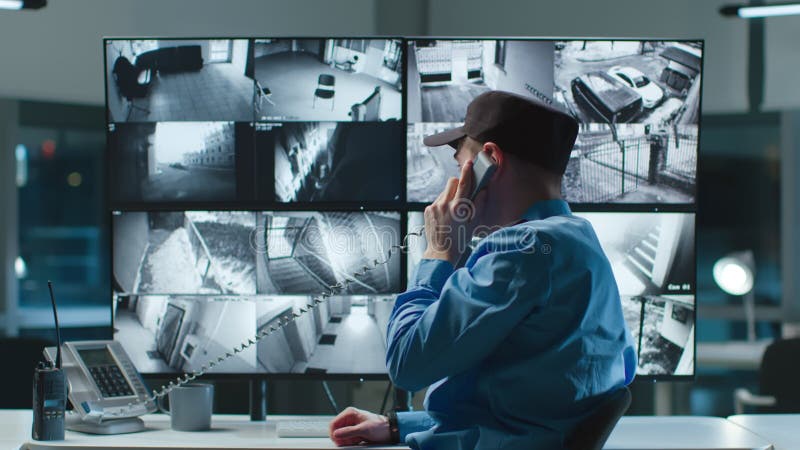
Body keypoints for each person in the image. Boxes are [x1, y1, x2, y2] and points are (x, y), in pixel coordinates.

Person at [329, 90, 637, 449]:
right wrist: (398, 425)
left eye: (459, 162)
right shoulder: (579, 242)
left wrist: (439, 253)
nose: (454, 181)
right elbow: (519, 410)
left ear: (489, 162)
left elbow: (406, 364)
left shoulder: (521, 252)